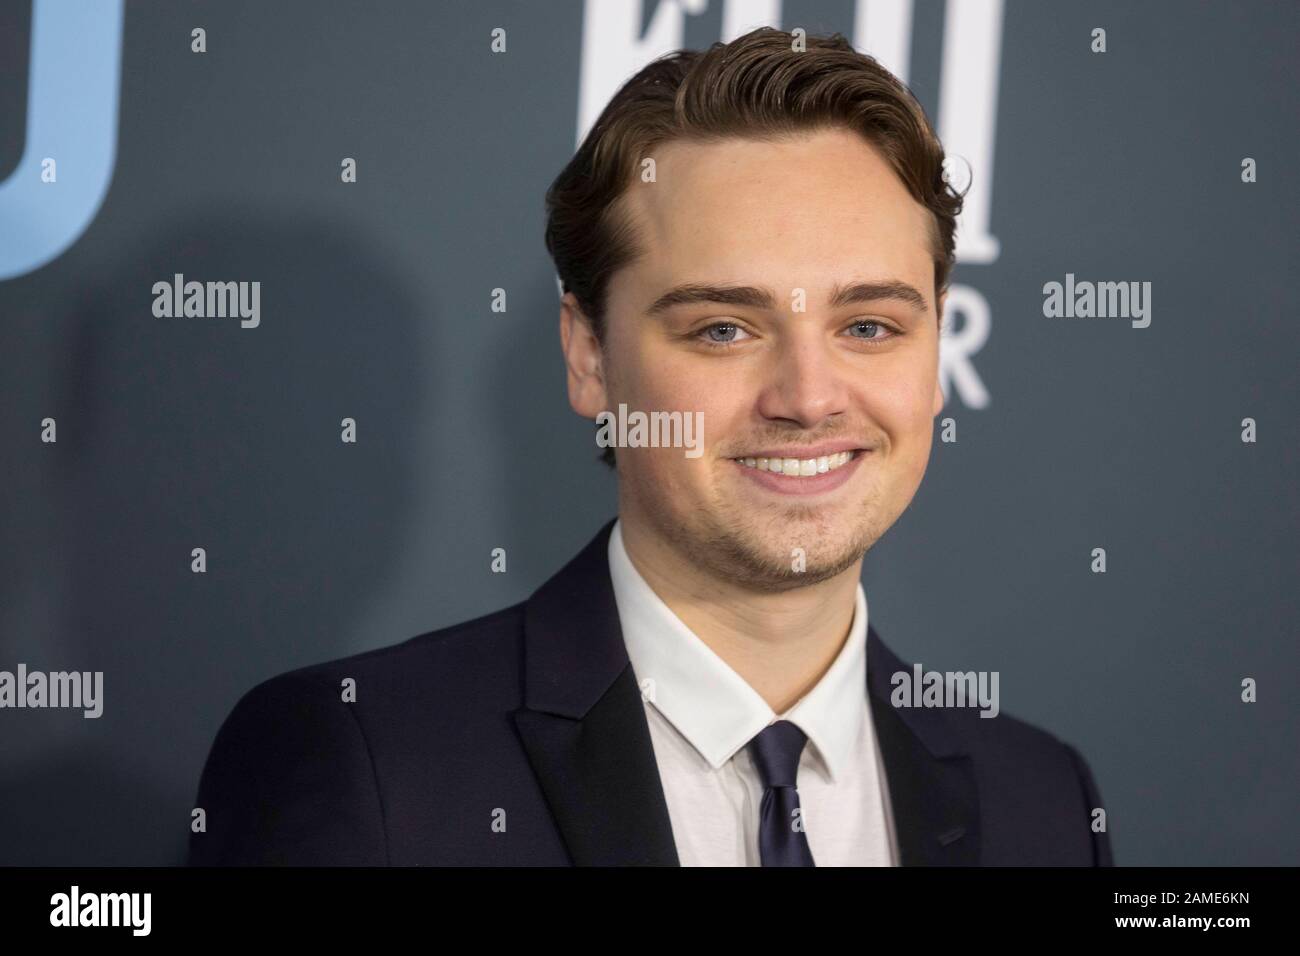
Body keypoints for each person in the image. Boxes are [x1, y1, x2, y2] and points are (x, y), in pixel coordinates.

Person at [188, 27, 1112, 867]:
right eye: (722, 330)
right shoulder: (364, 760)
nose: (808, 398)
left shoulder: (1043, 802)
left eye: (868, 326)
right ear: (589, 357)